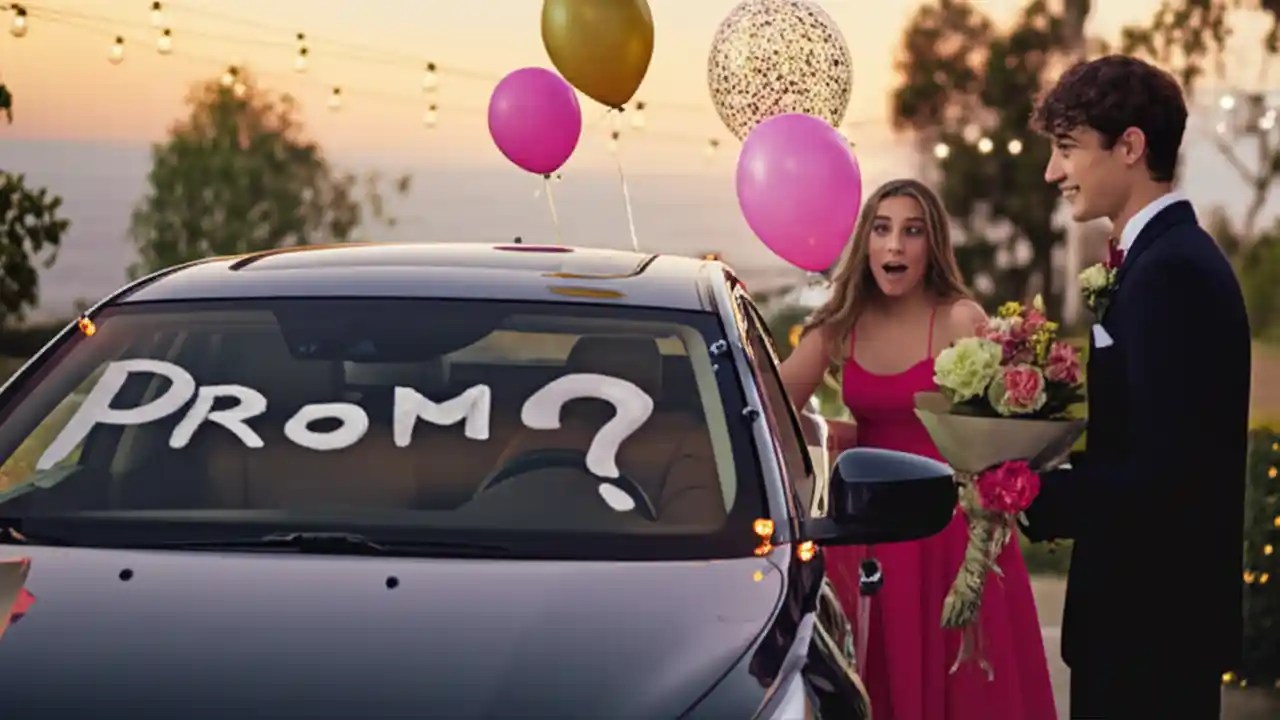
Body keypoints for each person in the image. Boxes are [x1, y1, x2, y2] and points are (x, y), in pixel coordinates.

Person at [1021, 54, 1251, 719]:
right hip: (1143, 628)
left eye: (1067, 149)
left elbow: (1162, 475)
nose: (1052, 172)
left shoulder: (1171, 274)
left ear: (1129, 146)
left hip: (1150, 635)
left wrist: (1032, 490)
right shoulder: (1157, 262)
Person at [781, 178, 1058, 720]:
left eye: (912, 232)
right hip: (866, 537)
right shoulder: (841, 325)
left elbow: (999, 434)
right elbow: (769, 405)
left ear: (932, 246)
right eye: (882, 229)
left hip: (948, 539)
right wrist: (833, 435)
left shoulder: (958, 318)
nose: (895, 246)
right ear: (865, 242)